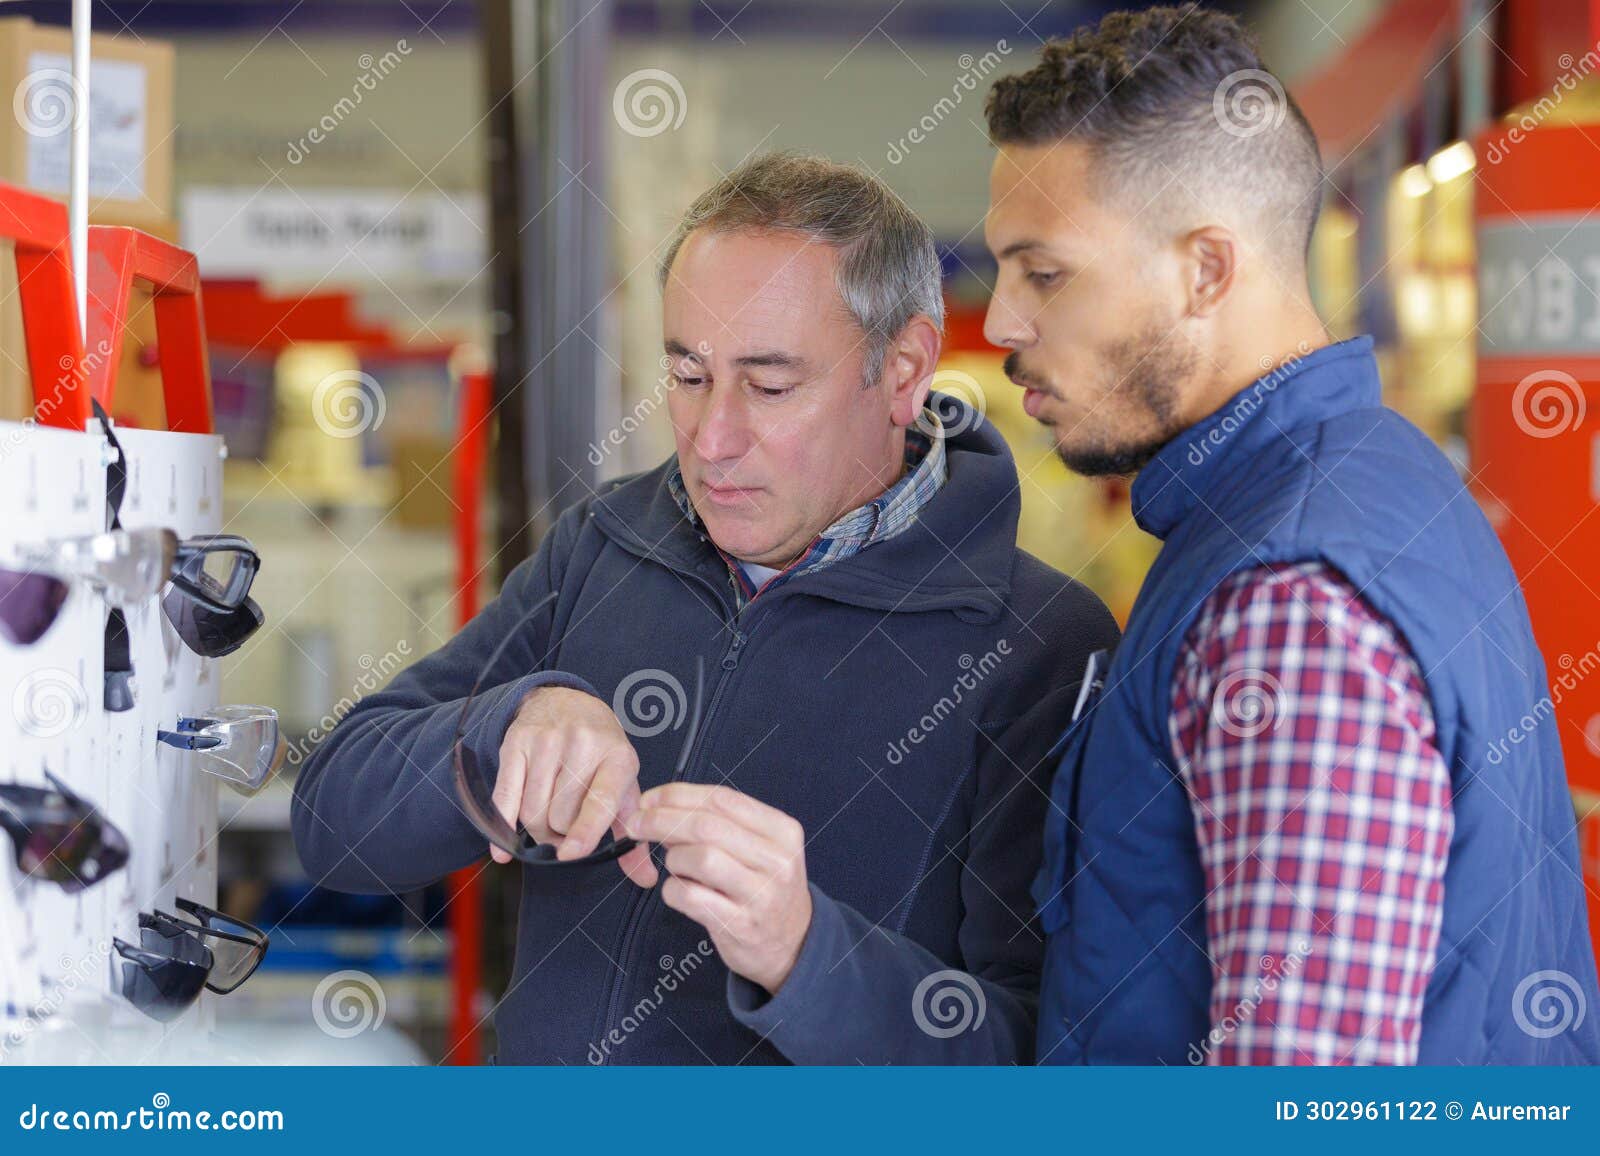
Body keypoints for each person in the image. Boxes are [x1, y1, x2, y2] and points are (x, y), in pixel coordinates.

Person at [292, 152, 1119, 1064]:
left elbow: (1041, 1060)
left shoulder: (1039, 645)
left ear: (904, 371)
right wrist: (500, 731)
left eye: (770, 386)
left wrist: (806, 956)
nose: (713, 439)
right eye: (688, 375)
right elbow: (333, 822)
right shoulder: (606, 544)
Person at [982, 5, 1600, 1064]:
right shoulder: (1369, 475)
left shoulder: (1289, 602)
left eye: (1044, 274)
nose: (1000, 324)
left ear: (1206, 272)